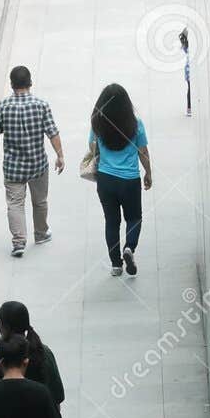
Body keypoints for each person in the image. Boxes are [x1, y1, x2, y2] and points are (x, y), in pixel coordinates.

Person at [0, 64, 63, 258]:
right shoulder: (41, 105)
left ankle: (18, 243)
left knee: (15, 204)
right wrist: (60, 155)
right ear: (30, 82)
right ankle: (40, 234)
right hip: (37, 164)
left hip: (13, 168)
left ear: (12, 84)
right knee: (40, 201)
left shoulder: (3, 106)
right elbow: (52, 132)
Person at [89, 83, 152, 277]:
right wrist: (148, 173)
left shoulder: (97, 123)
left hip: (106, 179)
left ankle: (116, 265)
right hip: (129, 180)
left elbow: (92, 148)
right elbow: (143, 152)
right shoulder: (136, 124)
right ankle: (129, 248)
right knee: (133, 217)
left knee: (111, 221)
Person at [180, 27, 191, 117]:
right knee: (190, 89)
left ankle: (189, 108)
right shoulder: (188, 48)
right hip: (190, 71)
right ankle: (189, 108)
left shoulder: (186, 47)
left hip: (189, 71)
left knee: (190, 89)